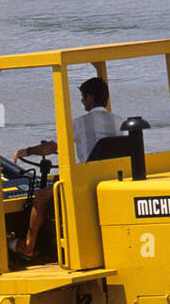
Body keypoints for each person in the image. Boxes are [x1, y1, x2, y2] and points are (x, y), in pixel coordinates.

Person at [10, 77, 123, 258]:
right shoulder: (118, 121)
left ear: (90, 98)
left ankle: (29, 246)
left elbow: (50, 147)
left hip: (85, 182)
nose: (81, 101)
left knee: (41, 197)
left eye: (83, 97)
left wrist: (27, 151)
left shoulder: (79, 123)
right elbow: (104, 148)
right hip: (112, 178)